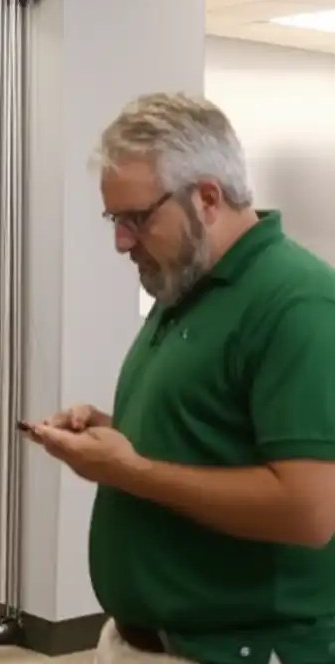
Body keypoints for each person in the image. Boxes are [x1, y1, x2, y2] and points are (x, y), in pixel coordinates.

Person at [25, 93, 335, 663]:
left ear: (208, 198)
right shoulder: (182, 286)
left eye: (137, 218)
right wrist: (112, 434)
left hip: (235, 649)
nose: (121, 241)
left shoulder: (298, 304)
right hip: (144, 640)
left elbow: (308, 511)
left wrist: (129, 470)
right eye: (114, 220)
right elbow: (214, 434)